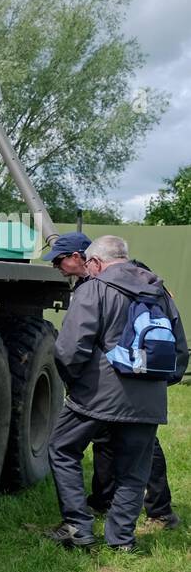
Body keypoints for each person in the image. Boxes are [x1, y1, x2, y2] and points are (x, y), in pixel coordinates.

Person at [47, 235, 187, 551]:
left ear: (95, 262)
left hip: (97, 395)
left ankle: (78, 529)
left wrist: (78, 384)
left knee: (62, 448)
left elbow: (69, 349)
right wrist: (154, 386)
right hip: (149, 399)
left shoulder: (94, 289)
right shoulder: (160, 293)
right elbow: (179, 350)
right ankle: (122, 540)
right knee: (134, 470)